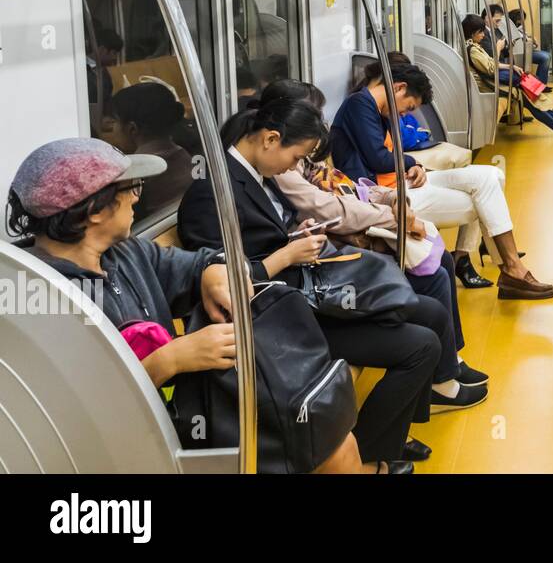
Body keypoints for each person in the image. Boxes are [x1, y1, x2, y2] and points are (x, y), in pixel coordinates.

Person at [7, 137, 362, 473]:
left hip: (182, 417)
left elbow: (196, 264)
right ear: (95, 211)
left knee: (334, 442)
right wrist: (172, 359)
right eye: (131, 189)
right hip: (126, 449)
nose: (136, 199)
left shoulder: (126, 254)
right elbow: (76, 412)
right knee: (330, 451)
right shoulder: (42, 301)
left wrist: (211, 273)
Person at [177, 97, 471, 472]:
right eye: (297, 156)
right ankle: (364, 456)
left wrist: (292, 240)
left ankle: (388, 440)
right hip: (277, 325)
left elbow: (260, 243)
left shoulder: (254, 177)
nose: (295, 167)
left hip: (303, 298)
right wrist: (286, 254)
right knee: (420, 345)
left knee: (427, 312)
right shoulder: (211, 193)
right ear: (270, 140)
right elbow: (218, 279)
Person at [260, 79, 489, 400]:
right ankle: (442, 377)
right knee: (433, 276)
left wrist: (388, 199)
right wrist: (391, 216)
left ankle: (450, 358)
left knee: (443, 260)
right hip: (333, 250)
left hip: (354, 219)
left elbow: (349, 188)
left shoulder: (301, 157)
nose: (319, 125)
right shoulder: (283, 166)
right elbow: (325, 206)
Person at [332, 58, 553, 299]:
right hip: (385, 197)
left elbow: (391, 156)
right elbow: (379, 159)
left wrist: (415, 165)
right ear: (398, 87)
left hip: (403, 182)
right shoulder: (360, 105)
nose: (404, 113)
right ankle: (511, 270)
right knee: (485, 201)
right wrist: (412, 162)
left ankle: (510, 269)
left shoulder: (379, 110)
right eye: (408, 108)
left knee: (491, 176)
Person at [463, 14, 553, 138]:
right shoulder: (472, 50)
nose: (483, 35)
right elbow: (492, 68)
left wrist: (511, 66)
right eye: (480, 32)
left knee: (529, 93)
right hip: (490, 85)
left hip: (493, 82)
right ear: (472, 33)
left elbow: (491, 64)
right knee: (527, 94)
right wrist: (498, 48)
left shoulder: (475, 47)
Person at [98, 82, 194, 219]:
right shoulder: (184, 155)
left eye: (115, 122)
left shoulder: (137, 173)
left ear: (132, 129)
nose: (112, 128)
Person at [506, 8, 553, 91]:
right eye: (520, 19)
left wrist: (530, 38)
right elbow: (517, 40)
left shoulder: (519, 28)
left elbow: (524, 37)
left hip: (525, 50)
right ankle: (541, 85)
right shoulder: (510, 28)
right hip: (519, 53)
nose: (522, 22)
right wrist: (528, 40)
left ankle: (540, 84)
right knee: (545, 57)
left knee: (547, 55)